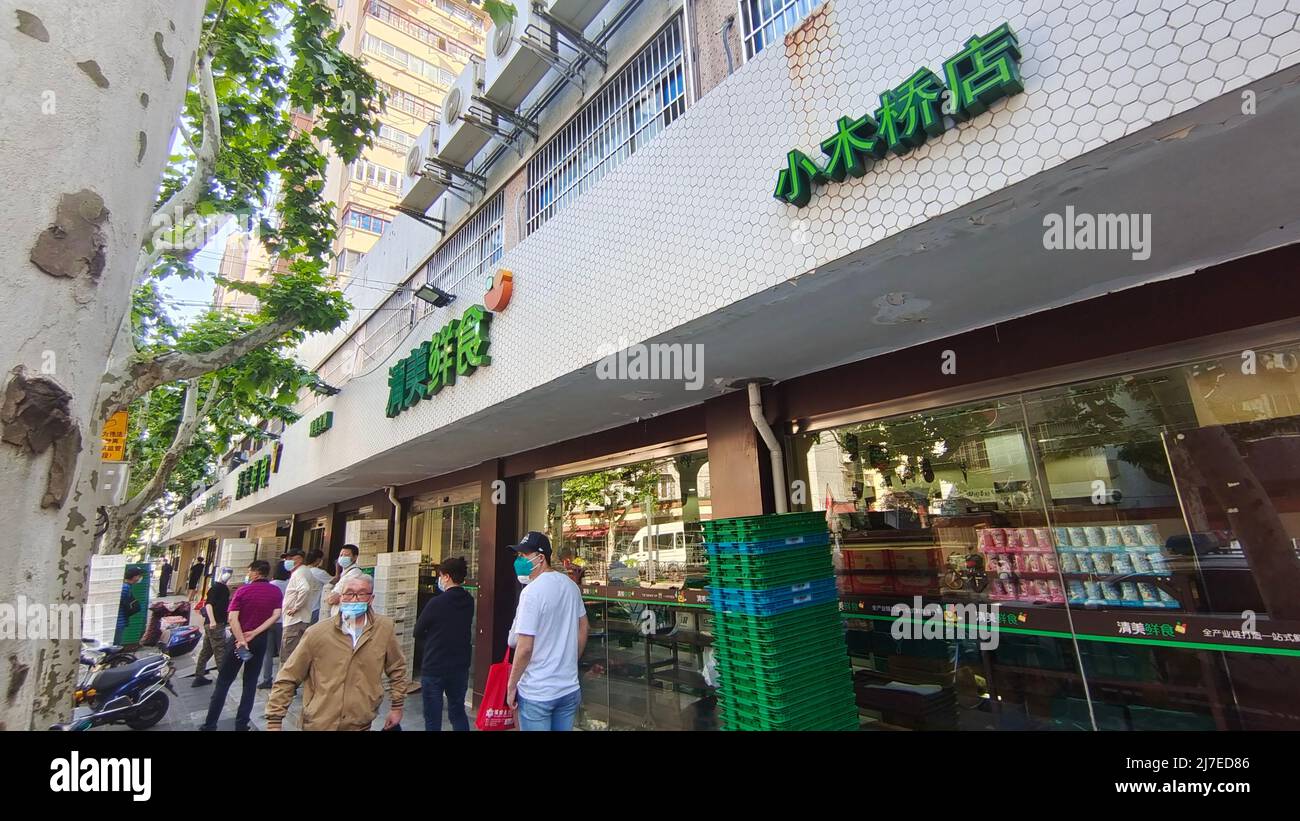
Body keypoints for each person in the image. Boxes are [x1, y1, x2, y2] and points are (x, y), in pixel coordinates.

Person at [265, 573, 408, 731]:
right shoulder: (317, 633)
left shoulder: (384, 629)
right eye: (348, 593)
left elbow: (397, 668)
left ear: (371, 599)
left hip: (360, 722)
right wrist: (274, 721)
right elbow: (289, 676)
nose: (354, 599)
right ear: (340, 597)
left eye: (361, 594)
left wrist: (397, 706)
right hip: (319, 723)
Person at [505, 532, 589, 731]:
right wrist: (569, 661)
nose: (519, 561)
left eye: (523, 556)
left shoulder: (531, 593)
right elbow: (584, 626)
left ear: (540, 558)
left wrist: (511, 686)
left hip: (537, 693)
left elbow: (524, 647)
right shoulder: (571, 586)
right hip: (569, 688)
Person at [200, 560, 282, 731]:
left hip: (238, 641)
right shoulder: (275, 591)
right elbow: (276, 615)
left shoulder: (243, 591)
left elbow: (232, 618)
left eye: (250, 571)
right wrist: (255, 632)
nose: (249, 573)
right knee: (250, 683)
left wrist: (241, 639)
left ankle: (210, 724)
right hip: (260, 641)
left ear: (257, 572)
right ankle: (241, 724)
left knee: (223, 682)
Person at [412, 556, 474, 731]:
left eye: (440, 575)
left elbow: (418, 630)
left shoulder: (436, 602)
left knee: (433, 718)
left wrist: (431, 638)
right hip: (459, 665)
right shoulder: (468, 601)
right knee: (458, 712)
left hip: (435, 665)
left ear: (446, 576)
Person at [192, 568, 232, 686]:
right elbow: (209, 604)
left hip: (212, 624)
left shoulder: (217, 588)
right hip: (215, 624)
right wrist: (213, 621)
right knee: (220, 651)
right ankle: (223, 679)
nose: (228, 576)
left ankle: (199, 676)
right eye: (227, 573)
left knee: (206, 651)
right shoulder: (218, 588)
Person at [257, 559, 291, 689]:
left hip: (269, 621)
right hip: (285, 621)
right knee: (284, 652)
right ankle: (284, 680)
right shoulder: (290, 583)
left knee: (268, 652)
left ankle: (267, 679)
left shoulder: (271, 584)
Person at [278, 548, 314, 663]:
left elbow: (305, 589)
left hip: (294, 621)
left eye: (290, 558)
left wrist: (296, 607)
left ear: (299, 559)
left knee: (289, 658)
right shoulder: (305, 571)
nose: (287, 561)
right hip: (301, 619)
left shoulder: (299, 573)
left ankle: (287, 680)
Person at [324, 544, 365, 619]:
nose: (342, 557)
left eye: (346, 555)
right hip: (338, 615)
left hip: (345, 617)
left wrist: (331, 596)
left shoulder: (354, 573)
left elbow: (333, 599)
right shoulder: (345, 572)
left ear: (355, 557)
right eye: (341, 555)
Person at [114, 568, 144, 644]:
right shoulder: (125, 587)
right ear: (134, 577)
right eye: (139, 576)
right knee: (116, 645)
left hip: (119, 621)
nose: (140, 578)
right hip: (118, 622)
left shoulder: (125, 586)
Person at [305, 548, 333, 623]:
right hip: (315, 608)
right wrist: (338, 569)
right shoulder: (318, 572)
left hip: (304, 608)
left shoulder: (302, 570)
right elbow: (334, 581)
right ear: (318, 560)